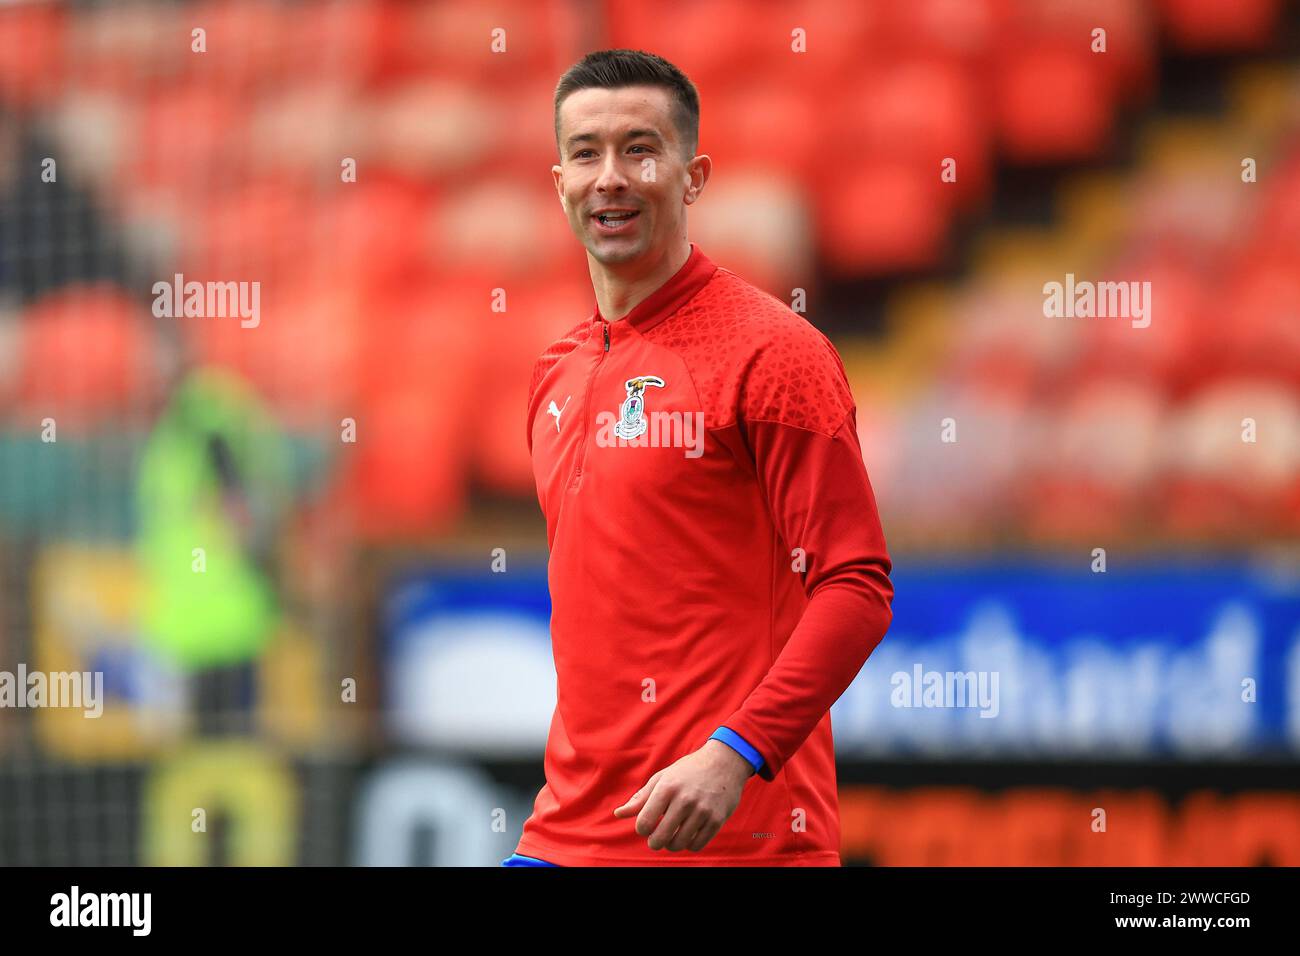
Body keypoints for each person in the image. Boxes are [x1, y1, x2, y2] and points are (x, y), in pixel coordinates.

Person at [506, 49, 893, 867]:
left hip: (736, 842)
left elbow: (856, 586)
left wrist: (736, 753)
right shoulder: (555, 372)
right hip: (567, 835)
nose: (609, 176)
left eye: (640, 149)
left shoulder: (774, 353)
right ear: (560, 182)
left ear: (694, 175)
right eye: (586, 153)